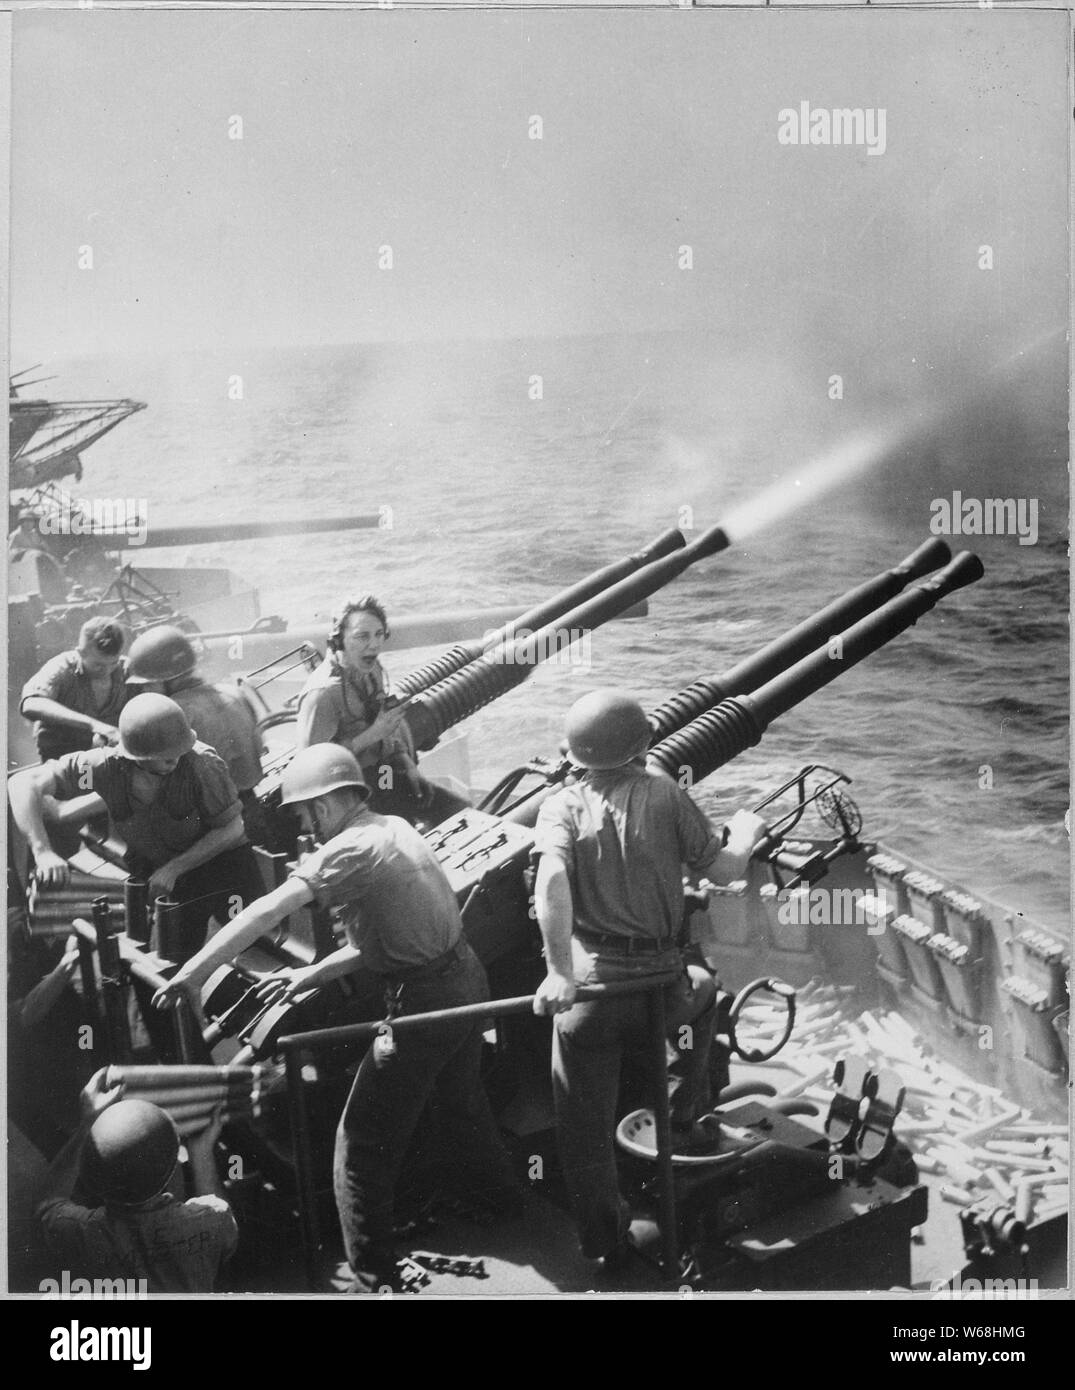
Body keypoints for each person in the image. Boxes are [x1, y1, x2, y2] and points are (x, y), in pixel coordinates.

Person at [153, 743, 521, 1292]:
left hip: (423, 1006)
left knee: (358, 1149)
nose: (305, 826)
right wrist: (310, 976)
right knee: (463, 1100)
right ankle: (509, 1204)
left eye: (303, 815)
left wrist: (191, 971)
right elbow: (387, 937)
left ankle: (372, 1278)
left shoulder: (347, 848)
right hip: (465, 985)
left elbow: (266, 910)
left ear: (325, 806)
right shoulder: (393, 827)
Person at [531, 689, 766, 1268]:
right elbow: (727, 869)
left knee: (583, 1132)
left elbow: (551, 883)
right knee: (706, 988)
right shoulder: (665, 794)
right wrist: (747, 830)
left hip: (593, 995)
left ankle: (606, 1245)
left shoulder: (559, 807)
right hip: (661, 993)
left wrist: (559, 971)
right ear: (642, 746)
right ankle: (680, 1119)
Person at [8, 693, 266, 964]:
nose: (176, 760)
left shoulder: (201, 764)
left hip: (225, 870)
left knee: (251, 954)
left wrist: (174, 868)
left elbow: (233, 828)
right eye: (166, 757)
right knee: (168, 965)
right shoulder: (104, 767)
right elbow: (23, 783)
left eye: (180, 750)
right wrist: (43, 851)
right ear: (135, 756)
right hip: (171, 882)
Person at [35, 1068, 237, 1293]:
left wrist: (88, 1124)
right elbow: (224, 1223)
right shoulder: (213, 1221)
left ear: (93, 1177)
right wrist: (202, 1152)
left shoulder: (80, 1233)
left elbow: (49, 1202)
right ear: (172, 1170)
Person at [296, 594, 464, 825]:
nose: (374, 645)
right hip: (351, 795)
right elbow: (311, 768)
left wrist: (407, 765)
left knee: (458, 811)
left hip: (384, 776)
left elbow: (386, 727)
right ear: (339, 641)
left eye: (378, 635)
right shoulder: (323, 694)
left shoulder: (371, 671)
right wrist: (371, 736)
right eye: (362, 636)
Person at [125, 624, 265, 839]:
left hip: (209, 828)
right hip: (253, 811)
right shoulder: (234, 693)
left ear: (163, 680)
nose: (145, 690)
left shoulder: (172, 714)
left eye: (148, 684)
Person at [20, 616, 130, 761]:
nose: (106, 671)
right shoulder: (61, 667)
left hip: (107, 757)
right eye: (98, 665)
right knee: (86, 782)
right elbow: (30, 704)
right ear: (80, 652)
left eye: (113, 663)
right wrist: (94, 725)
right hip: (64, 759)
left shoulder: (126, 668)